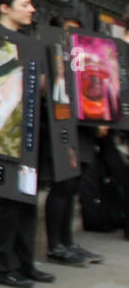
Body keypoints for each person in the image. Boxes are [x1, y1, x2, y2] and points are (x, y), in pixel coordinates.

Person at [0, 0, 57, 288]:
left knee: (26, 198)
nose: (32, 9)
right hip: (0, 131)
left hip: (27, 128)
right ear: (5, 8)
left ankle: (24, 261)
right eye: (26, 4)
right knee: (2, 199)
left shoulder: (28, 42)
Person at [46, 16, 101, 266]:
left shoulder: (85, 59)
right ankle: (56, 245)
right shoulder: (54, 56)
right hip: (65, 128)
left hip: (85, 130)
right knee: (63, 187)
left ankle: (67, 242)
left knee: (74, 187)